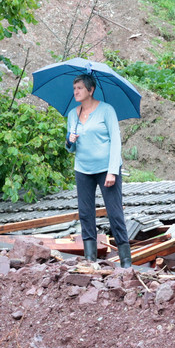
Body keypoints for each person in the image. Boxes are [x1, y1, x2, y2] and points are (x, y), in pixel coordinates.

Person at [66, 74, 131, 267]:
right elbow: (70, 147)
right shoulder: (73, 114)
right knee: (85, 212)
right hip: (83, 169)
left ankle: (126, 260)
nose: (75, 92)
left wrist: (112, 171)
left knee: (114, 212)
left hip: (105, 169)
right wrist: (70, 141)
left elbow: (116, 141)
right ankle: (90, 258)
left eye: (79, 88)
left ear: (90, 90)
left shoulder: (106, 111)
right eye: (74, 88)